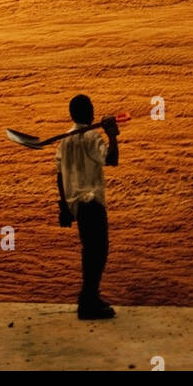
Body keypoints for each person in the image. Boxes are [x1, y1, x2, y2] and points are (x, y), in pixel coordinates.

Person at [55, 94, 120, 320]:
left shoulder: (65, 139)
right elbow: (112, 160)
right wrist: (112, 136)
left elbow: (59, 175)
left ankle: (89, 298)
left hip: (78, 207)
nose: (93, 110)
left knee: (90, 251)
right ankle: (88, 300)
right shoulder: (92, 137)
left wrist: (64, 207)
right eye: (91, 107)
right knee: (98, 252)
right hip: (92, 203)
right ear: (86, 112)